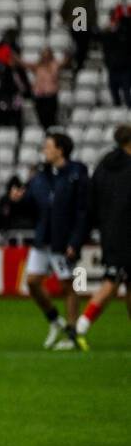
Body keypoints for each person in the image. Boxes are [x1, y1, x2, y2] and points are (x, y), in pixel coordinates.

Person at [22, 132, 89, 351]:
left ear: (60, 150)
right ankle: (54, 320)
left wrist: (76, 241)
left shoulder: (76, 174)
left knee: (68, 285)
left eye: (48, 146)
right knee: (32, 281)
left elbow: (82, 211)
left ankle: (72, 333)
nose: (44, 150)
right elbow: (31, 202)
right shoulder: (42, 175)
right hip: (44, 237)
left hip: (63, 239)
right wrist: (16, 200)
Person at [75, 125, 131, 346]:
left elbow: (92, 202)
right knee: (112, 281)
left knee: (125, 282)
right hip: (126, 235)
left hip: (109, 232)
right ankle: (80, 327)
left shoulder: (103, 166)